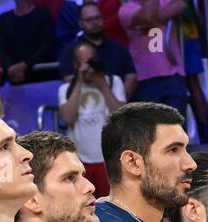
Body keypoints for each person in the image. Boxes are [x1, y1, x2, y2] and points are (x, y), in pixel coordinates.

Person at [58, 40, 126, 197]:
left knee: (114, 205)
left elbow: (122, 117)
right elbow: (68, 118)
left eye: (92, 60)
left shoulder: (113, 82)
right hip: (81, 161)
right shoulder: (66, 89)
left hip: (110, 159)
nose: (90, 66)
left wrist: (102, 84)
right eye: (85, 62)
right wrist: (80, 82)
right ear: (76, 65)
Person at [121, 0, 189, 119]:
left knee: (176, 132)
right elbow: (148, 18)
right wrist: (160, 17)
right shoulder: (126, 9)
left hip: (173, 75)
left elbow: (181, 5)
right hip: (145, 81)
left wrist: (154, 21)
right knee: (152, 134)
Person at [59, 2, 136, 96]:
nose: (95, 22)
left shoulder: (118, 47)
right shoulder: (70, 50)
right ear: (80, 23)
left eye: (97, 18)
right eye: (89, 20)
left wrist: (119, 100)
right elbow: (68, 79)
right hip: (86, 104)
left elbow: (130, 76)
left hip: (118, 104)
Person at [0, 0, 56, 85]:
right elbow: (0, 48)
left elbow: (48, 45)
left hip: (41, 76)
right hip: (14, 78)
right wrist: (9, 68)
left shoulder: (43, 14)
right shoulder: (4, 18)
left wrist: (26, 65)